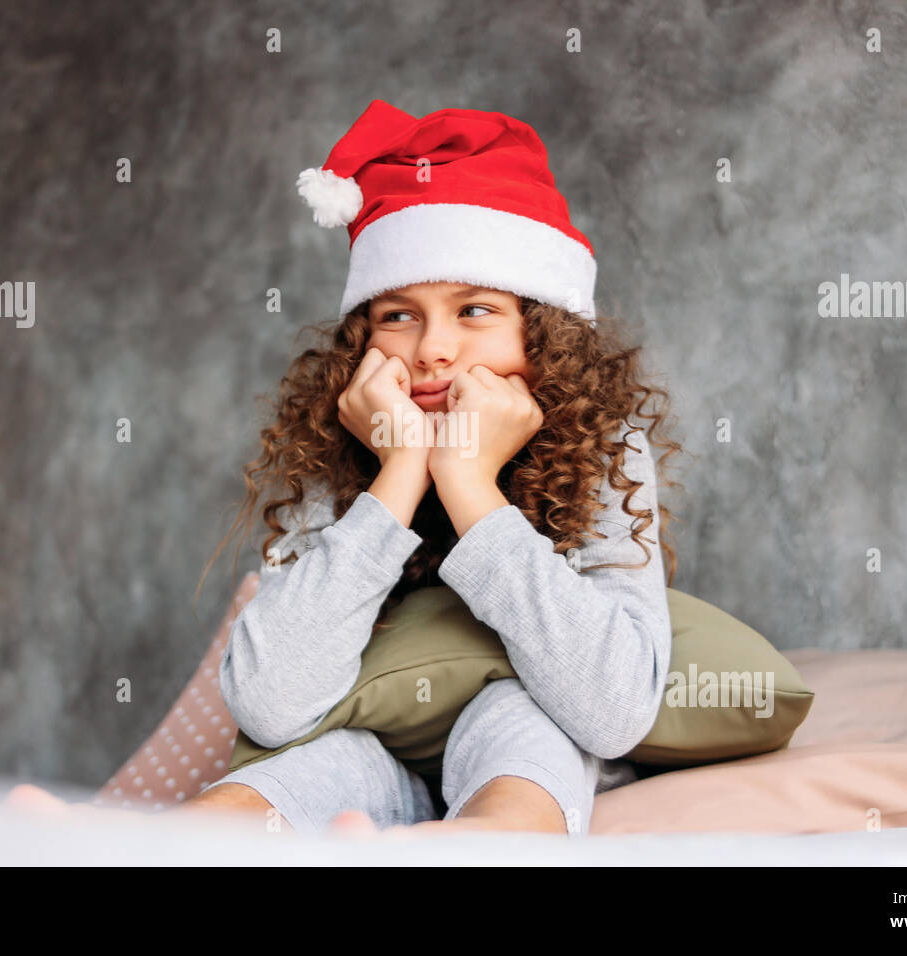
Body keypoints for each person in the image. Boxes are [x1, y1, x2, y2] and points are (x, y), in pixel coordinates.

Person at [177, 99, 684, 840]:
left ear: (542, 336)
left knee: (520, 720)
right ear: (363, 335)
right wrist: (400, 472)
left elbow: (612, 713)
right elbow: (270, 703)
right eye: (398, 314)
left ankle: (480, 844)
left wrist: (472, 487)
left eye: (475, 310)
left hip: (533, 735)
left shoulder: (606, 446)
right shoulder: (344, 448)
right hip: (378, 743)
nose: (432, 351)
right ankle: (146, 846)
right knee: (312, 762)